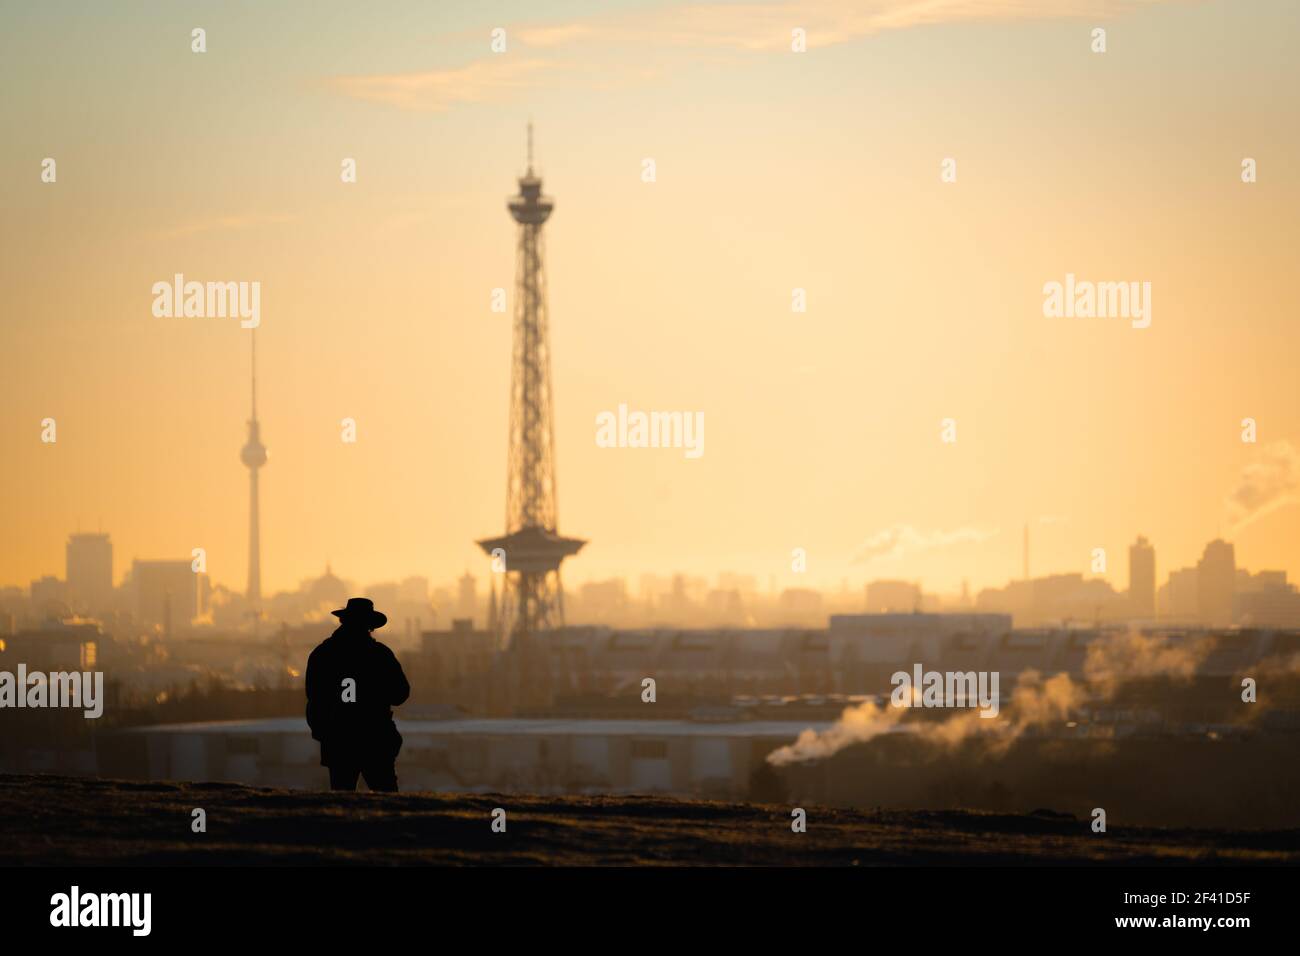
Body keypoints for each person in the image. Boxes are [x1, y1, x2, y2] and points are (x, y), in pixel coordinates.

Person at [305, 597, 410, 792]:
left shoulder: (323, 654)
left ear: (343, 621)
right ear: (370, 626)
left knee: (341, 798)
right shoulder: (380, 655)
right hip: (375, 738)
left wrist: (324, 732)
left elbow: (315, 698)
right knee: (386, 797)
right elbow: (400, 694)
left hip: (339, 740)